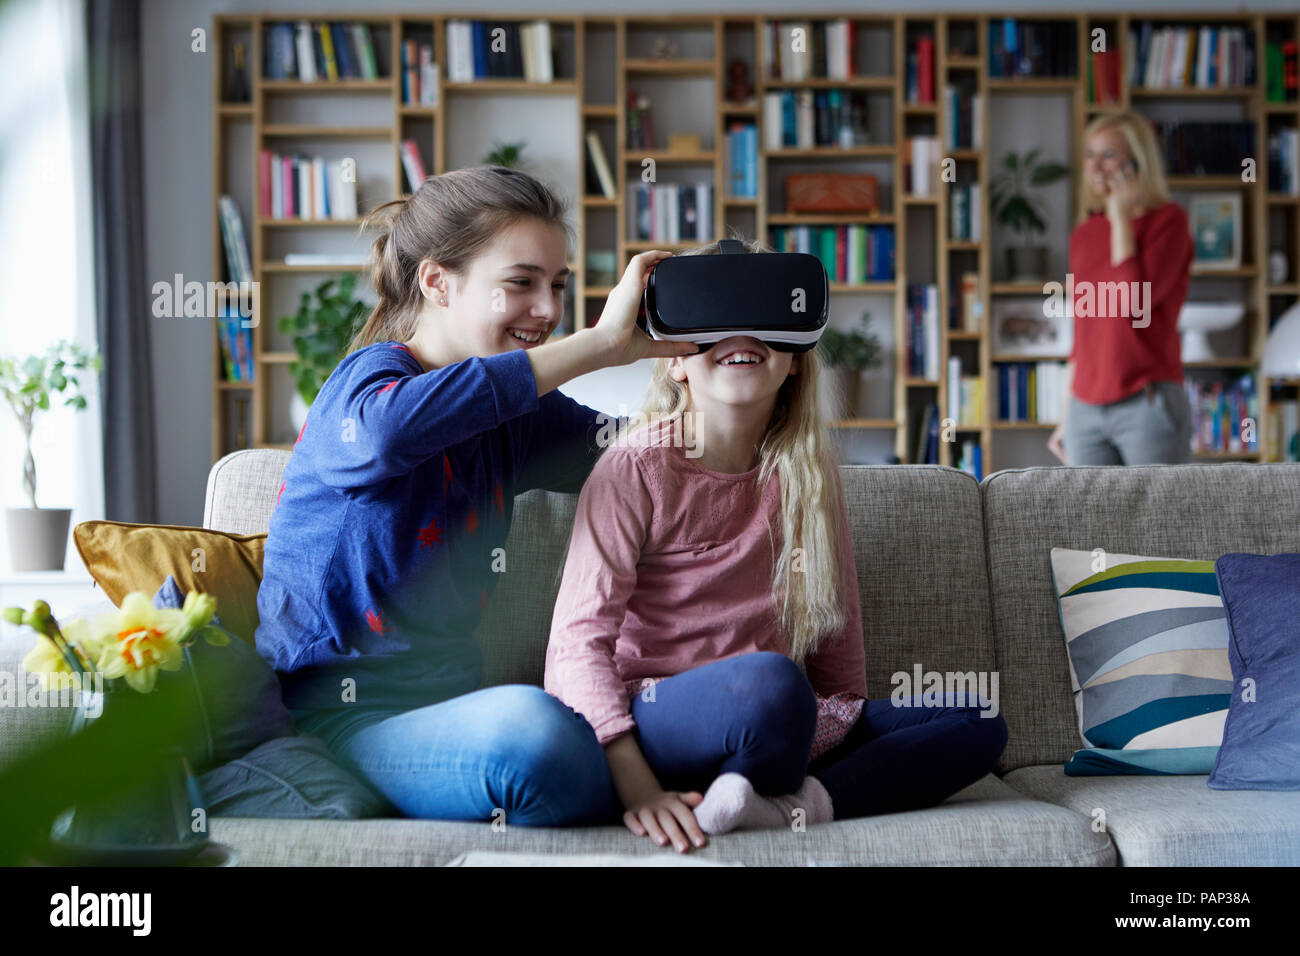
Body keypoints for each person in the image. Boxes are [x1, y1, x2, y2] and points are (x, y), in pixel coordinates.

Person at [254, 166, 696, 826]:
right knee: (535, 738)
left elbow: (635, 457)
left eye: (556, 287)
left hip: (448, 708)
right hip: (333, 717)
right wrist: (600, 346)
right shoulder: (367, 382)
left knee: (598, 727)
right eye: (520, 283)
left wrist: (713, 375)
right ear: (436, 282)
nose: (547, 310)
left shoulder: (518, 415)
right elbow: (388, 436)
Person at [544, 239, 1009, 854]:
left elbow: (838, 643)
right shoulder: (636, 467)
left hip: (783, 723)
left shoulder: (807, 476)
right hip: (666, 718)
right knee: (773, 682)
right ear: (677, 361)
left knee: (977, 718)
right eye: (717, 320)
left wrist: (841, 720)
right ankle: (751, 779)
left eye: (764, 319)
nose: (742, 334)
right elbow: (576, 645)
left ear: (794, 362)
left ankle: (789, 807)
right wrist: (636, 788)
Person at [1048, 111, 1195, 466]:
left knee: (1158, 522)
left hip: (1146, 403)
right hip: (1085, 409)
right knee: (1092, 523)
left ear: (1137, 163)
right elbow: (1085, 333)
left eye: (1109, 155)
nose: (1095, 167)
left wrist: (1121, 218)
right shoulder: (1084, 234)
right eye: (1089, 154)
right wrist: (1066, 417)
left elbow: (1133, 302)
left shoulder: (1168, 222)